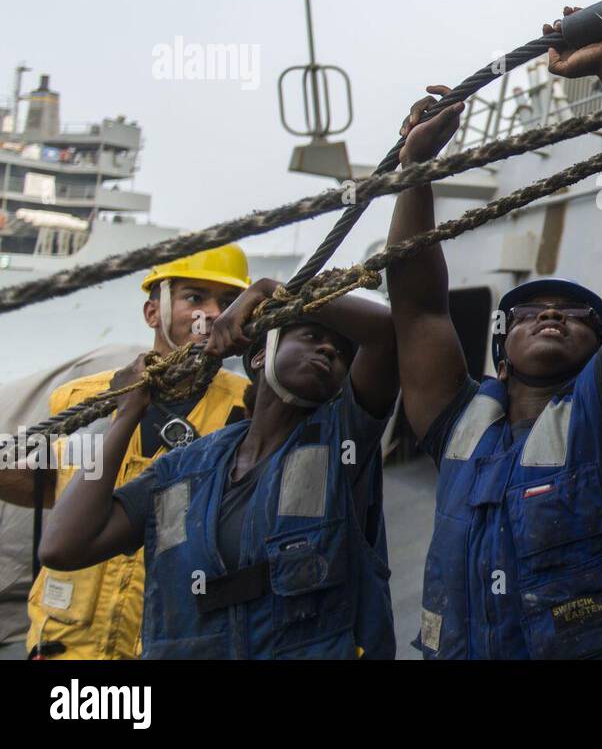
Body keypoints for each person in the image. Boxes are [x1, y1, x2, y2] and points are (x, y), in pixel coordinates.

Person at [390, 52, 602, 659]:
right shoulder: (459, 426)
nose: (552, 314)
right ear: (501, 356)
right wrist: (415, 168)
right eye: (530, 312)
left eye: (576, 313)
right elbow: (420, 308)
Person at [36, 278, 400, 660]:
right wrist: (124, 417)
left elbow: (387, 333)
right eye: (310, 336)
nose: (328, 349)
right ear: (260, 355)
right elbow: (62, 546)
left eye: (342, 353)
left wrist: (267, 292)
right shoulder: (181, 468)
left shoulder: (341, 443)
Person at [0, 246, 252, 660]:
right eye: (195, 297)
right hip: (66, 643)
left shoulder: (244, 408)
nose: (211, 313)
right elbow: (56, 487)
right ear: (152, 312)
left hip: (166, 644)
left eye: (227, 302)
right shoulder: (80, 399)